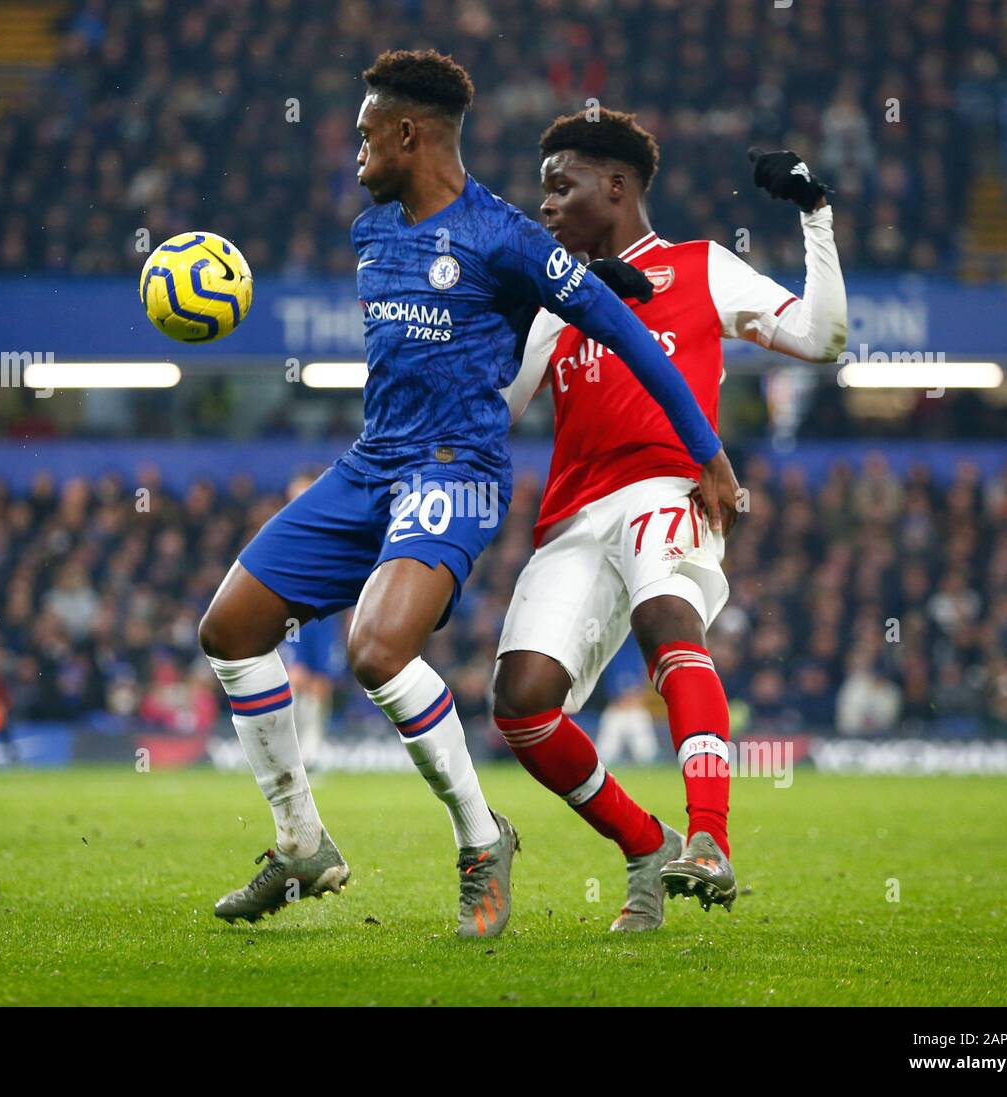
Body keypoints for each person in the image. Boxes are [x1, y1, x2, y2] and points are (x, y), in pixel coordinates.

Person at [197, 52, 741, 938]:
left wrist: (707, 451)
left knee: (376, 651)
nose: (358, 153)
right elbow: (487, 316)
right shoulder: (372, 231)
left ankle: (482, 840)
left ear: (410, 134)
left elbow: (637, 343)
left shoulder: (508, 235)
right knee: (229, 630)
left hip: (454, 469)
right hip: (372, 465)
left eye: (369, 135)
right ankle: (301, 842)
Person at [493, 109, 847, 929]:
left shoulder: (700, 267)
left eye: (560, 186)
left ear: (615, 187)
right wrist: (517, 307)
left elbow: (824, 337)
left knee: (666, 618)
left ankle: (710, 838)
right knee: (522, 703)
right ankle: (645, 843)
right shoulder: (558, 297)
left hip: (668, 486)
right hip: (573, 515)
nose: (545, 206)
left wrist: (815, 216)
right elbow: (498, 408)